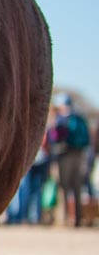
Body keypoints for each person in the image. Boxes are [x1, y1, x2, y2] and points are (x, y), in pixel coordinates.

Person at [49, 92, 90, 227]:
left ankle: (65, 218)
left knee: (64, 187)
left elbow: (53, 138)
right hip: (79, 155)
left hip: (65, 155)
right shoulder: (79, 118)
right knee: (77, 188)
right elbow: (87, 139)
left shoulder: (62, 119)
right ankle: (77, 218)